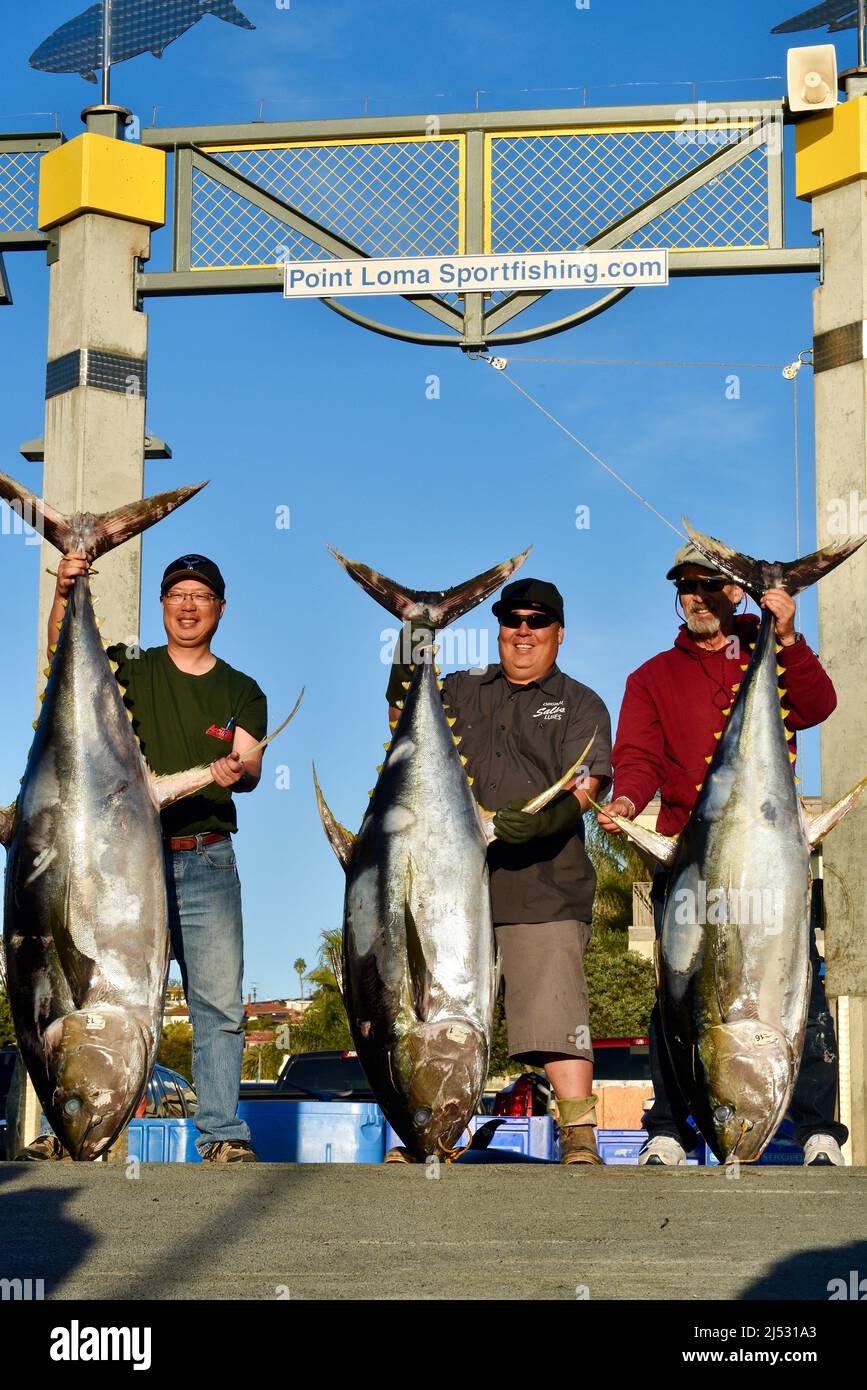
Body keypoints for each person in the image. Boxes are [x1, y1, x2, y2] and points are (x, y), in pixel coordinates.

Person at [599, 542, 848, 1167]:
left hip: (772, 863)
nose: (696, 597)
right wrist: (627, 802)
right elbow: (638, 761)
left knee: (797, 988)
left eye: (709, 585)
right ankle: (670, 1128)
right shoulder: (651, 677)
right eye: (684, 586)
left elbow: (819, 707)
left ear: (736, 591)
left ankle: (819, 1130)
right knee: (677, 992)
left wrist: (785, 635)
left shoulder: (764, 652)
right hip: (690, 867)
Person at [20, 553, 266, 1164]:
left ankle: (220, 1134)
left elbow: (251, 759)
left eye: (200, 596)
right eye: (176, 594)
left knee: (218, 1004)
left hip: (204, 859)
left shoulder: (241, 690)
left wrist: (240, 767)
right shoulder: (128, 668)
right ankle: (69, 1116)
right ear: (162, 606)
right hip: (120, 868)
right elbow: (63, 654)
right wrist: (65, 589)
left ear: (220, 609)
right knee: (88, 988)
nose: (187, 606)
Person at [387, 577, 612, 1164]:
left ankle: (579, 1135)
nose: (523, 631)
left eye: (537, 621)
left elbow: (587, 786)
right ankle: (427, 1131)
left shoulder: (582, 702)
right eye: (513, 620)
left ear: (559, 633)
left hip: (541, 885)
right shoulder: (459, 689)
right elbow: (399, 717)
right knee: (434, 1008)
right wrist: (413, 635)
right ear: (500, 628)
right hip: (450, 892)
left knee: (556, 1010)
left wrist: (544, 822)